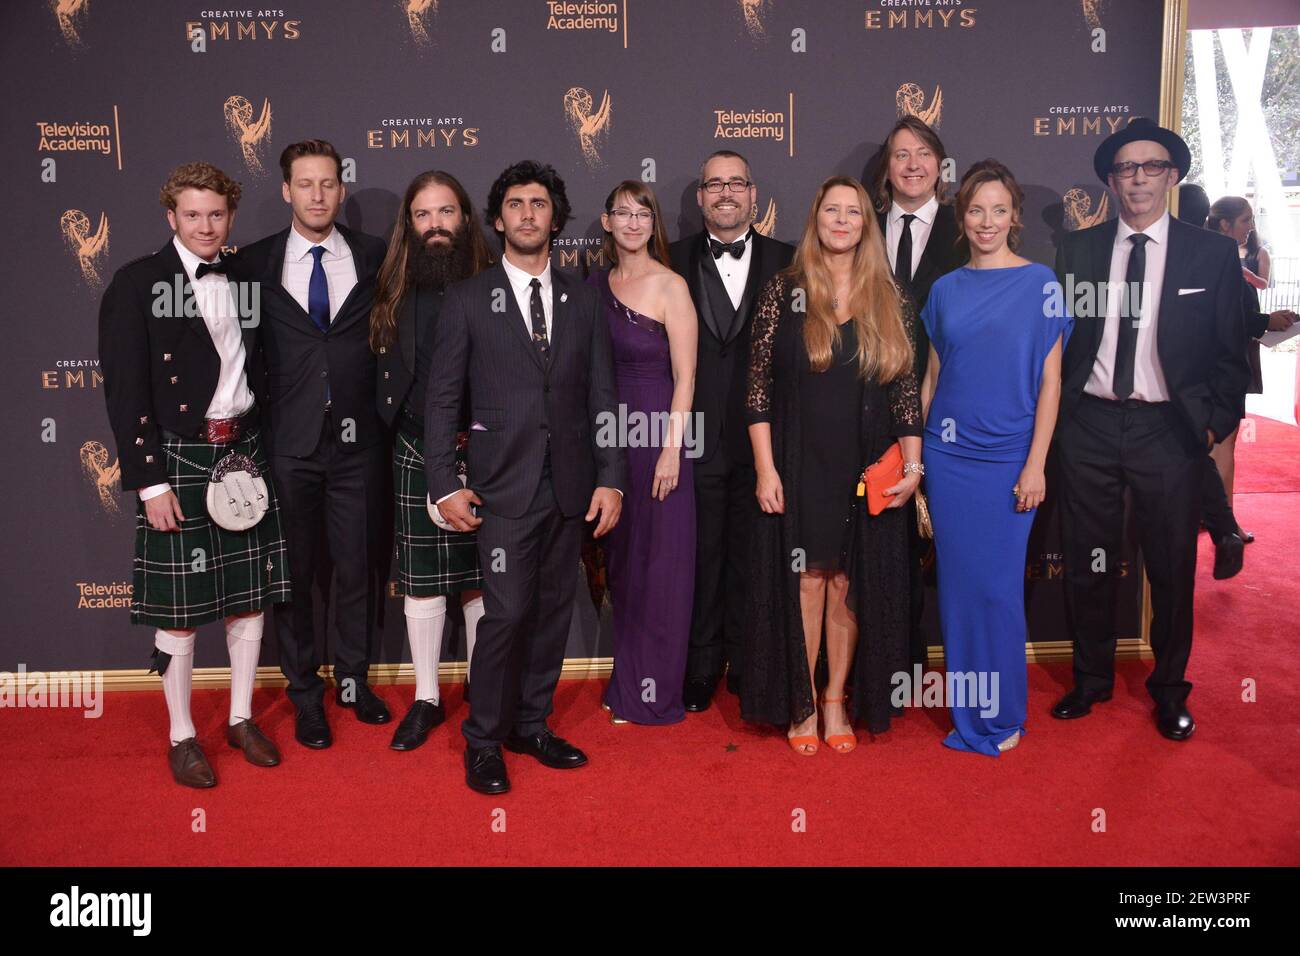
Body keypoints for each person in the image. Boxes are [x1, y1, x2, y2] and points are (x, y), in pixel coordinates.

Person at [426, 161, 628, 794]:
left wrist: (612, 477)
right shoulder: (466, 300)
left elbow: (603, 393)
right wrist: (443, 483)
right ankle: (483, 739)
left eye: (539, 203)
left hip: (569, 486)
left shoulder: (584, 300)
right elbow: (440, 402)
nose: (528, 214)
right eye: (516, 203)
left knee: (549, 615)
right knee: (506, 614)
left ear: (556, 218)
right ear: (498, 219)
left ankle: (530, 725)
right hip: (502, 488)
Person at [1051, 118, 1250, 741]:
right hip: (1088, 422)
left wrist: (1215, 425)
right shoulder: (1079, 250)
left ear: (1172, 176)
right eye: (1126, 169)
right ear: (1111, 181)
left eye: (1151, 166)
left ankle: (1169, 689)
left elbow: (1232, 348)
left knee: (1170, 566)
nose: (1138, 178)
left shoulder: (1211, 253)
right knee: (1087, 562)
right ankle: (1091, 680)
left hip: (1170, 430)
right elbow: (1062, 342)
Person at [99, 161, 291, 787]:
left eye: (216, 214)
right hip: (178, 458)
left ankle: (239, 718)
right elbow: (127, 393)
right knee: (179, 607)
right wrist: (149, 481)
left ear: (230, 217)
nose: (205, 226)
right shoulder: (136, 283)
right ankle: (183, 734)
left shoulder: (245, 278)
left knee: (248, 597)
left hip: (243, 452)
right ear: (170, 216)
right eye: (192, 214)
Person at [741, 176, 922, 754]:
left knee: (847, 582)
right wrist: (766, 471)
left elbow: (906, 395)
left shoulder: (888, 296)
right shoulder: (784, 290)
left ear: (867, 224)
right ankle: (800, 700)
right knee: (806, 580)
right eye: (831, 210)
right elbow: (757, 392)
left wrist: (913, 471)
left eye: (854, 212)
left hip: (865, 464)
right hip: (799, 463)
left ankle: (837, 700)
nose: (842, 220)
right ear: (815, 217)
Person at [234, 140, 392, 749]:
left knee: (357, 571)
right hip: (288, 445)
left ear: (341, 189)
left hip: (359, 444)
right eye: (306, 184)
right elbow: (234, 352)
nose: (318, 195)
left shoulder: (376, 258)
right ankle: (305, 698)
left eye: (328, 183)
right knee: (295, 577)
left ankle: (353, 683)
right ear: (286, 191)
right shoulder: (253, 263)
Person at [919, 160, 1071, 756]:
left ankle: (1001, 715)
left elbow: (1051, 383)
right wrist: (918, 462)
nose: (987, 221)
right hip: (949, 459)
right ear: (962, 217)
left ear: (1015, 217)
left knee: (999, 590)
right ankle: (969, 715)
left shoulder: (1041, 285)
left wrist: (1036, 464)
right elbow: (932, 377)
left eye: (999, 210)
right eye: (976, 210)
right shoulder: (944, 289)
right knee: (959, 590)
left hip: (1010, 460)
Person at [372, 171, 494, 750]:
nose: (436, 224)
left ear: (465, 219)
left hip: (492, 448)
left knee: (480, 580)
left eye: (447, 212)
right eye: (424, 215)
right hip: (418, 443)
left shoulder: (497, 284)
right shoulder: (392, 288)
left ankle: (484, 690)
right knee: (421, 581)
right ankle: (425, 698)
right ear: (410, 225)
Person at [668, 150, 793, 713]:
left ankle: (749, 663)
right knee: (700, 557)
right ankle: (699, 667)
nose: (725, 193)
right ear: (699, 197)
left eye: (735, 183)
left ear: (754, 193)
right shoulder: (667, 261)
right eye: (713, 184)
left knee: (756, 557)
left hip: (767, 443)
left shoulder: (793, 264)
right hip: (692, 439)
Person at [589, 181, 698, 725]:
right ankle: (626, 682)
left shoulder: (671, 286)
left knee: (661, 566)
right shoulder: (594, 285)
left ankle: (653, 695)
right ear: (606, 221)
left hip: (661, 433)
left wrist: (672, 451)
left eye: (643, 214)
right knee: (625, 566)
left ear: (654, 223)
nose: (633, 223)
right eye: (623, 213)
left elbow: (687, 377)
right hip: (611, 438)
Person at [869, 115, 966, 668]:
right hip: (870, 402)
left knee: (944, 537)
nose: (912, 164)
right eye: (901, 153)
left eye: (923, 153)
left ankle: (938, 660)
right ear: (888, 167)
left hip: (949, 406)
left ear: (940, 165)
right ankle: (882, 660)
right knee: (880, 535)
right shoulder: (861, 226)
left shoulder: (966, 228)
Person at [1206, 196, 1297, 546]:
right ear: (1225, 224)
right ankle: (1225, 524)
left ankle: (1215, 517)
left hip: (1216, 363)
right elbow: (1226, 315)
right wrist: (1266, 321)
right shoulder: (1221, 258)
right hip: (1223, 365)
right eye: (1245, 220)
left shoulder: (1214, 256)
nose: (1251, 227)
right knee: (1223, 446)